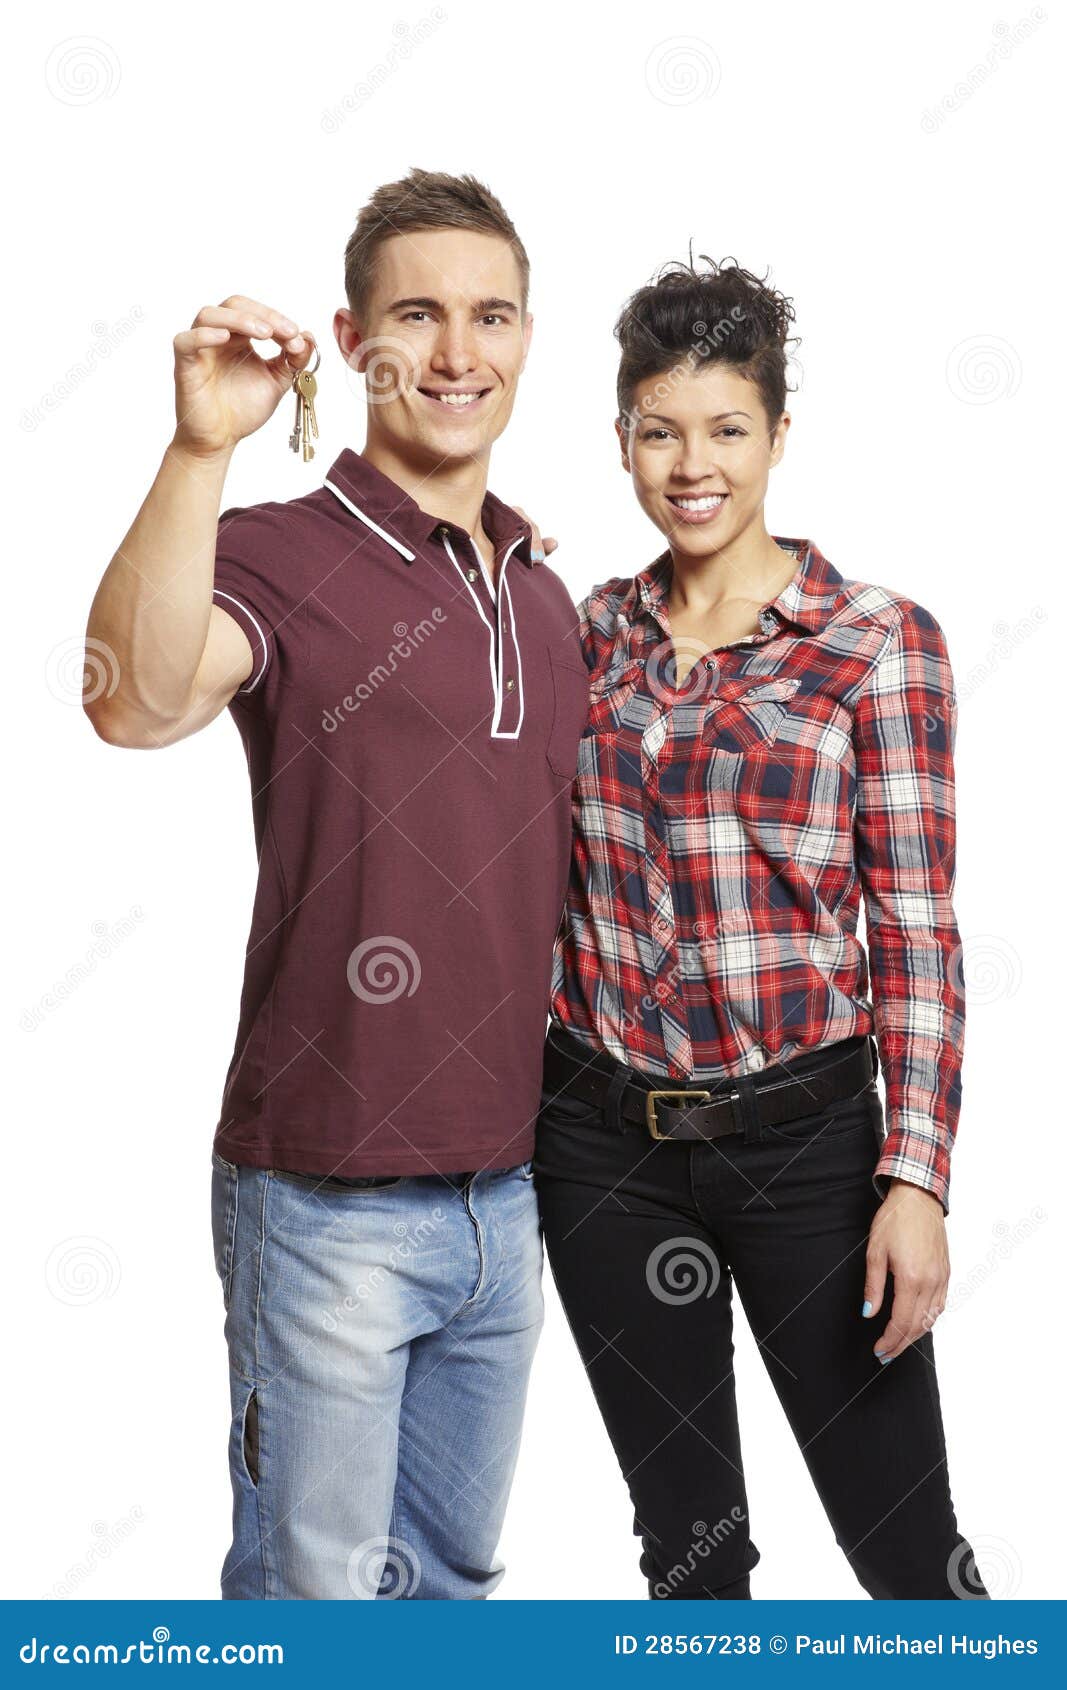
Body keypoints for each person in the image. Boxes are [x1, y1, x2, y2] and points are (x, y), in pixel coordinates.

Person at [82, 169, 589, 1600]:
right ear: (353, 340)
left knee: (445, 1594)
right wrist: (200, 452)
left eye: (489, 316)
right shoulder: (279, 551)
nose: (455, 353)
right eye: (415, 315)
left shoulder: (544, 591)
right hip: (327, 1194)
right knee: (313, 1604)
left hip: (508, 1197)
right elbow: (133, 699)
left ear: (527, 339)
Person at [535, 256, 989, 1601]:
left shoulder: (876, 642)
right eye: (662, 430)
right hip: (604, 1151)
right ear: (622, 438)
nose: (694, 464)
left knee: (910, 1549)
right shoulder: (586, 635)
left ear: (778, 437)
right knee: (690, 1555)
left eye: (727, 428)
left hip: (812, 1153)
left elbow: (915, 926)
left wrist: (915, 1176)